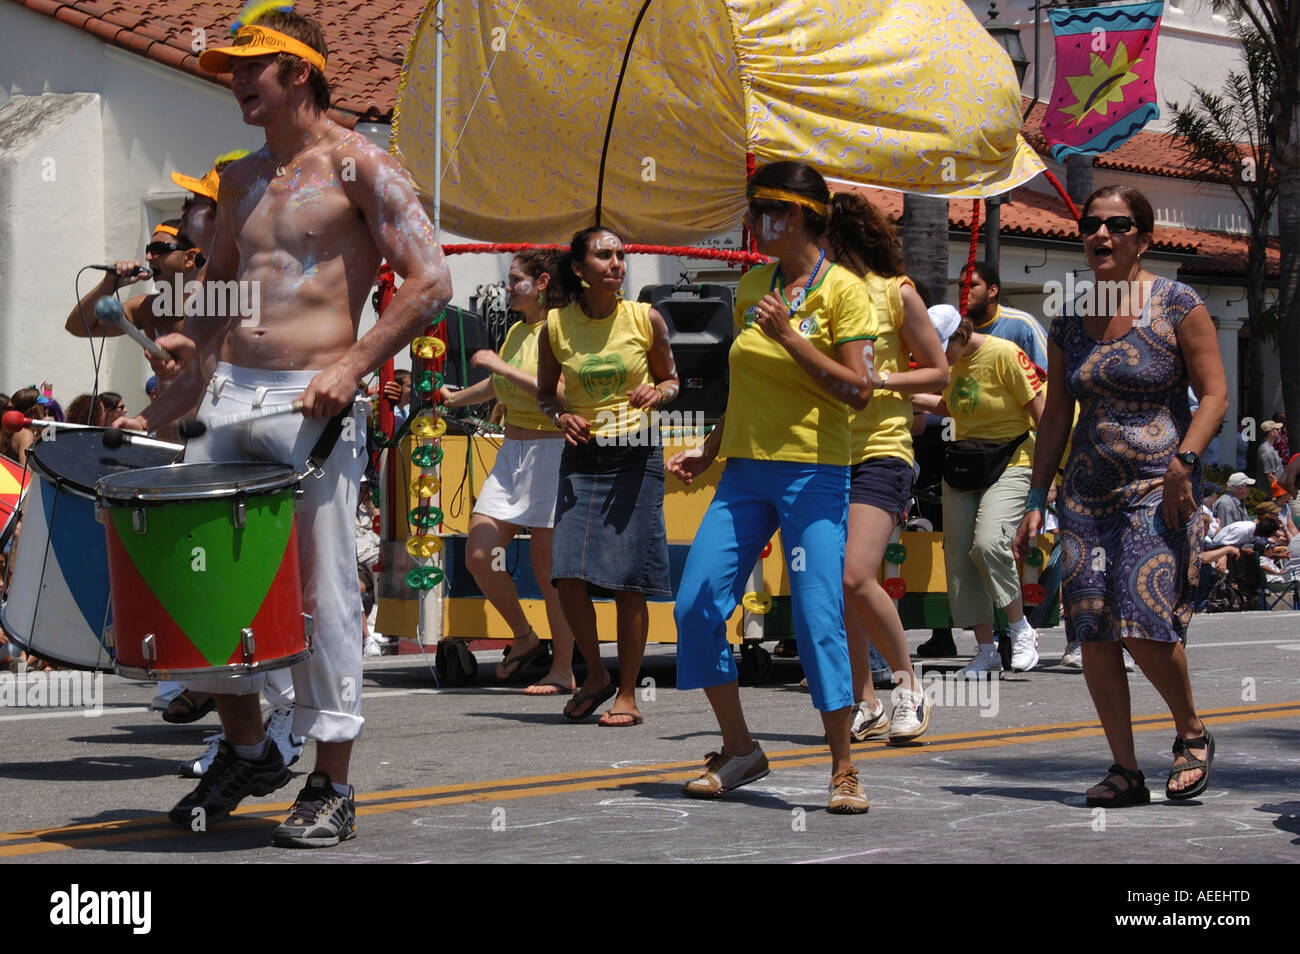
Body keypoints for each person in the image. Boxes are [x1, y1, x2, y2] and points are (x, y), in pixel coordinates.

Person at [115, 9, 452, 847]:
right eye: (231, 67)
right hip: (231, 396)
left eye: (250, 66)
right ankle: (247, 747)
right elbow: (225, 291)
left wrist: (353, 365)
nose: (235, 80)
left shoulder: (362, 165)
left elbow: (430, 282)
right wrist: (181, 365)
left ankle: (332, 779)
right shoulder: (238, 179)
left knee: (321, 592)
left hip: (313, 401)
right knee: (210, 576)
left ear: (299, 71)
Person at [668, 160, 876, 814]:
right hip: (744, 472)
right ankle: (739, 749)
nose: (755, 221)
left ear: (801, 217)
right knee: (695, 604)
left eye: (767, 210)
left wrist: (789, 337)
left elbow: (859, 391)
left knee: (816, 617)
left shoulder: (845, 292)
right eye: (754, 209)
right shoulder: (753, 284)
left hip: (814, 472)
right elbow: (744, 382)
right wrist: (709, 447)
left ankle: (843, 767)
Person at [1015, 184, 1227, 806]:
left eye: (1118, 224)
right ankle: (1125, 770)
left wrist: (1187, 462)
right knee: (1095, 631)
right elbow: (1057, 415)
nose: (1101, 235)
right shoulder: (1067, 319)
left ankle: (1191, 732)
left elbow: (1215, 395)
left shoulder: (1178, 303)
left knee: (1142, 620)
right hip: (1084, 496)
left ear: (1144, 238)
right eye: (1091, 225)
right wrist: (1036, 497)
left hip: (1159, 487)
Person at [536, 227, 678, 726]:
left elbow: (672, 380)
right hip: (582, 456)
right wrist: (560, 416)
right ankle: (594, 675)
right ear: (579, 268)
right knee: (566, 573)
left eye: (620, 255)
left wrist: (657, 393)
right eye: (604, 255)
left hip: (635, 455)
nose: (616, 263)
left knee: (626, 579)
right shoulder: (555, 325)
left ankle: (628, 694)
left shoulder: (645, 317)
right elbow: (545, 394)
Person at [826, 205, 949, 743]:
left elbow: (939, 373)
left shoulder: (896, 292)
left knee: (856, 576)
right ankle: (866, 701)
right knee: (841, 586)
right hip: (824, 452)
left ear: (840, 235)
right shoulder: (816, 292)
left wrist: (884, 380)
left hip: (881, 449)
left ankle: (909, 688)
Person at [439, 250, 577, 695]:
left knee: (547, 570)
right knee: (479, 554)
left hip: (553, 452)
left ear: (542, 283)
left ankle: (564, 669)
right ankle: (524, 636)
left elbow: (560, 392)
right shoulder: (518, 330)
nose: (506, 287)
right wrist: (454, 399)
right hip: (512, 451)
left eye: (515, 279)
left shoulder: (561, 329)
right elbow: (499, 383)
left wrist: (500, 367)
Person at [914, 308, 1045, 675]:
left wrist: (1049, 479)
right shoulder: (947, 364)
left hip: (1012, 458)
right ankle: (986, 651)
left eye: (943, 348)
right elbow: (953, 407)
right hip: (964, 462)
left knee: (988, 544)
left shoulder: (1004, 354)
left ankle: (1020, 628)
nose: (939, 356)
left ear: (960, 335)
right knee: (959, 558)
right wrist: (905, 397)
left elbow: (1042, 415)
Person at [64, 221, 196, 341]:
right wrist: (108, 284)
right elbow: (78, 328)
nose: (148, 257)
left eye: (158, 249)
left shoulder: (207, 307)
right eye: (148, 250)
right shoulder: (146, 308)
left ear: (189, 258)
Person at [965, 261, 1048, 373]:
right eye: (961, 286)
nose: (965, 291)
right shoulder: (955, 328)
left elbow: (1047, 374)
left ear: (992, 291)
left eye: (972, 285)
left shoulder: (1023, 325)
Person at [1, 388, 46, 467]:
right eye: (42, 407)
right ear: (35, 410)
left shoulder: (11, 429)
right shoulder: (25, 434)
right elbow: (26, 470)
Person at [1258, 420, 1284, 489]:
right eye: (1276, 429)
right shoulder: (1267, 451)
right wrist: (1280, 492)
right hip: (1272, 493)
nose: (1279, 432)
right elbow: (1270, 476)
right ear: (1272, 432)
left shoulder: (1269, 448)